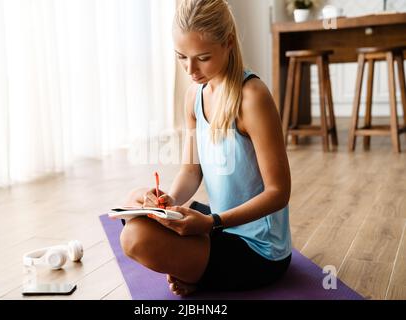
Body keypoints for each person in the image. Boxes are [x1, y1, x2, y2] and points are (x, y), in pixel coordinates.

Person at [120, 0, 292, 296]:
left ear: (228, 43)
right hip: (217, 225)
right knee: (133, 204)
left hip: (259, 249)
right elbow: (191, 169)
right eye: (181, 57)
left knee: (135, 239)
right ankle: (199, 271)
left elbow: (279, 192)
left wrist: (212, 222)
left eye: (202, 57)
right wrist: (169, 201)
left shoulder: (253, 97)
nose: (191, 69)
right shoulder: (194, 96)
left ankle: (199, 274)